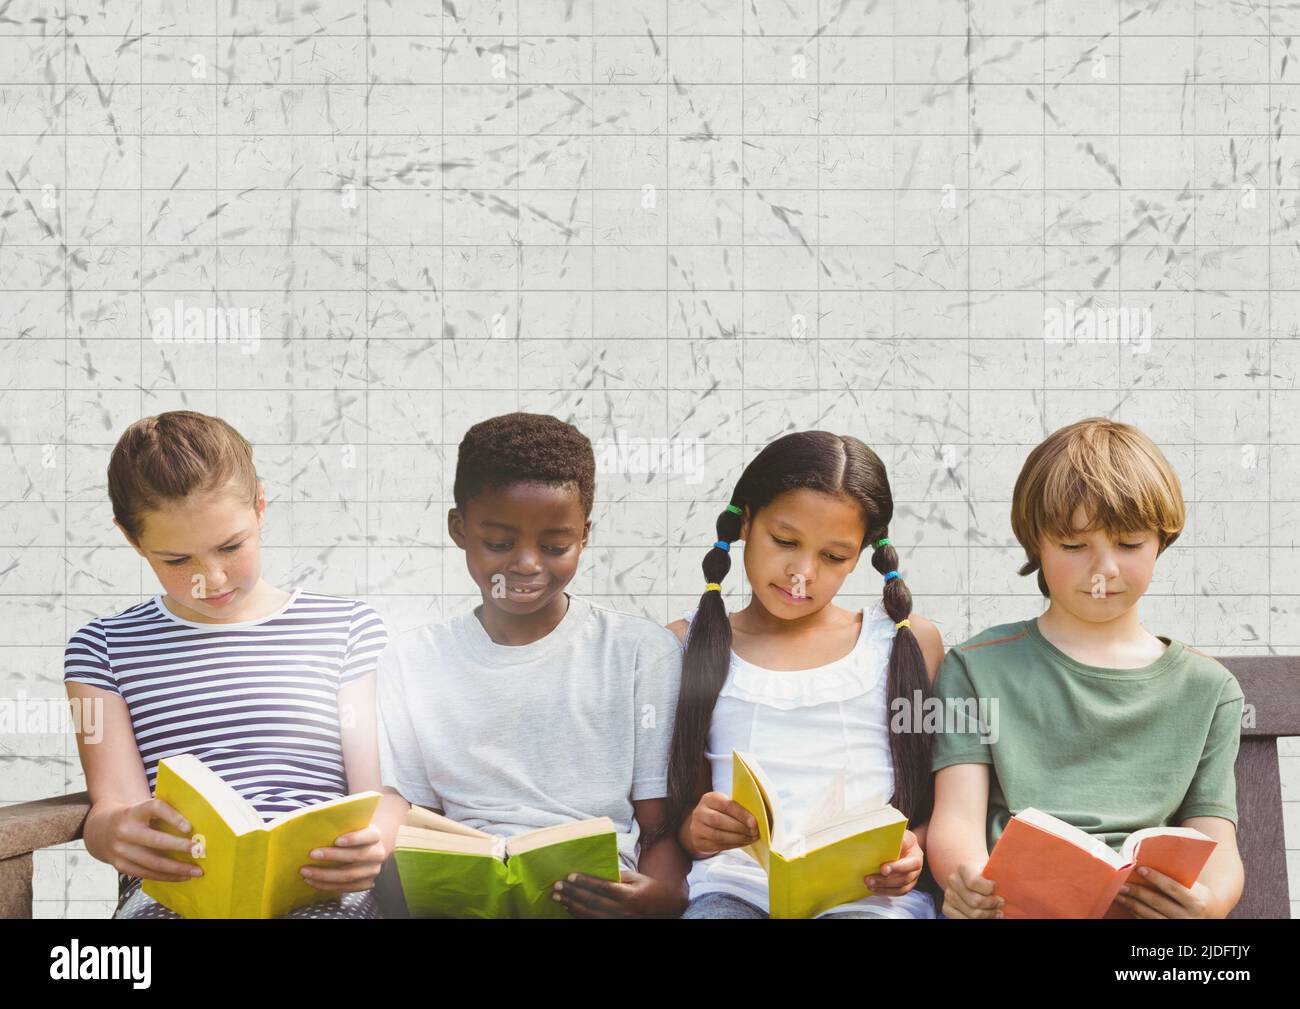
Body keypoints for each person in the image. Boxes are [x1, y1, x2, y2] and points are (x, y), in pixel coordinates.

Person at [64, 411, 405, 918]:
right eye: (177, 561)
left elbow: (381, 791)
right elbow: (112, 804)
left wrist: (375, 840)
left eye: (231, 546)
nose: (213, 578)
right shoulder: (103, 647)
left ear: (261, 506)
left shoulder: (349, 628)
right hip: (181, 891)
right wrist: (110, 833)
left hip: (322, 886)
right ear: (132, 540)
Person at [928, 417, 1245, 919]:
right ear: (1037, 545)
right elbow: (957, 819)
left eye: (1129, 543)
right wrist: (965, 877)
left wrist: (1208, 903)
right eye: (1074, 546)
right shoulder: (975, 667)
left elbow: (1216, 840)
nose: (1104, 571)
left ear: (1161, 541)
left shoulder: (1209, 689)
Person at [375, 412, 689, 917]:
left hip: (593, 897)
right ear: (459, 528)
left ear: (584, 535)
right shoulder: (412, 659)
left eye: (555, 545)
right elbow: (416, 818)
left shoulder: (641, 651)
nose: (525, 564)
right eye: (499, 543)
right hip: (464, 897)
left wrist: (663, 894)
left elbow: (659, 827)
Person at [660, 430, 945, 918]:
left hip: (869, 898)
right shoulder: (683, 646)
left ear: (861, 556)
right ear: (746, 521)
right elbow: (664, 807)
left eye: (833, 557)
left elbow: (941, 795)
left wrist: (914, 849)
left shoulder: (905, 642)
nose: (802, 573)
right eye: (785, 541)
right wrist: (694, 829)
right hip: (735, 888)